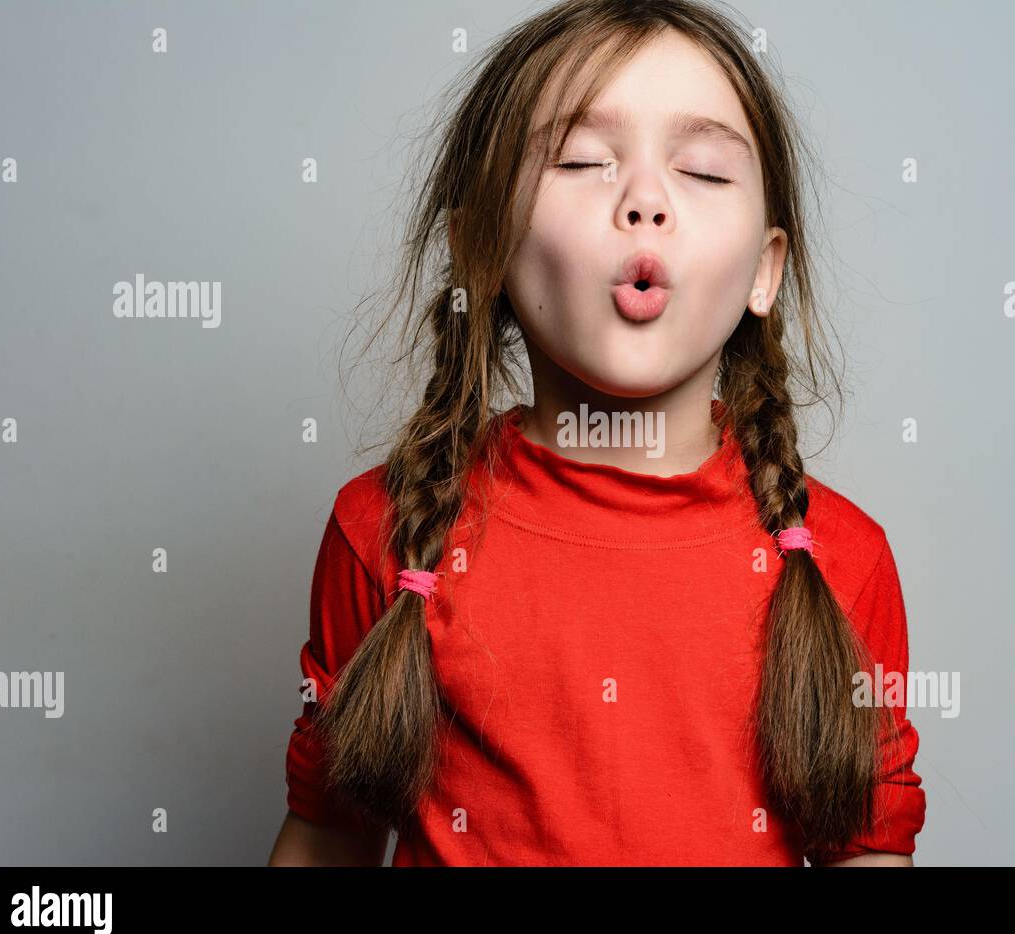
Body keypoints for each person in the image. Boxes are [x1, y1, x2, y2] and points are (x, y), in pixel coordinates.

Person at [269, 0, 925, 866]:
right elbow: (326, 840)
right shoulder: (381, 535)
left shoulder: (844, 560)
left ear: (766, 271)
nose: (645, 201)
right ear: (483, 249)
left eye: (703, 172)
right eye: (582, 160)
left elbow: (867, 852)